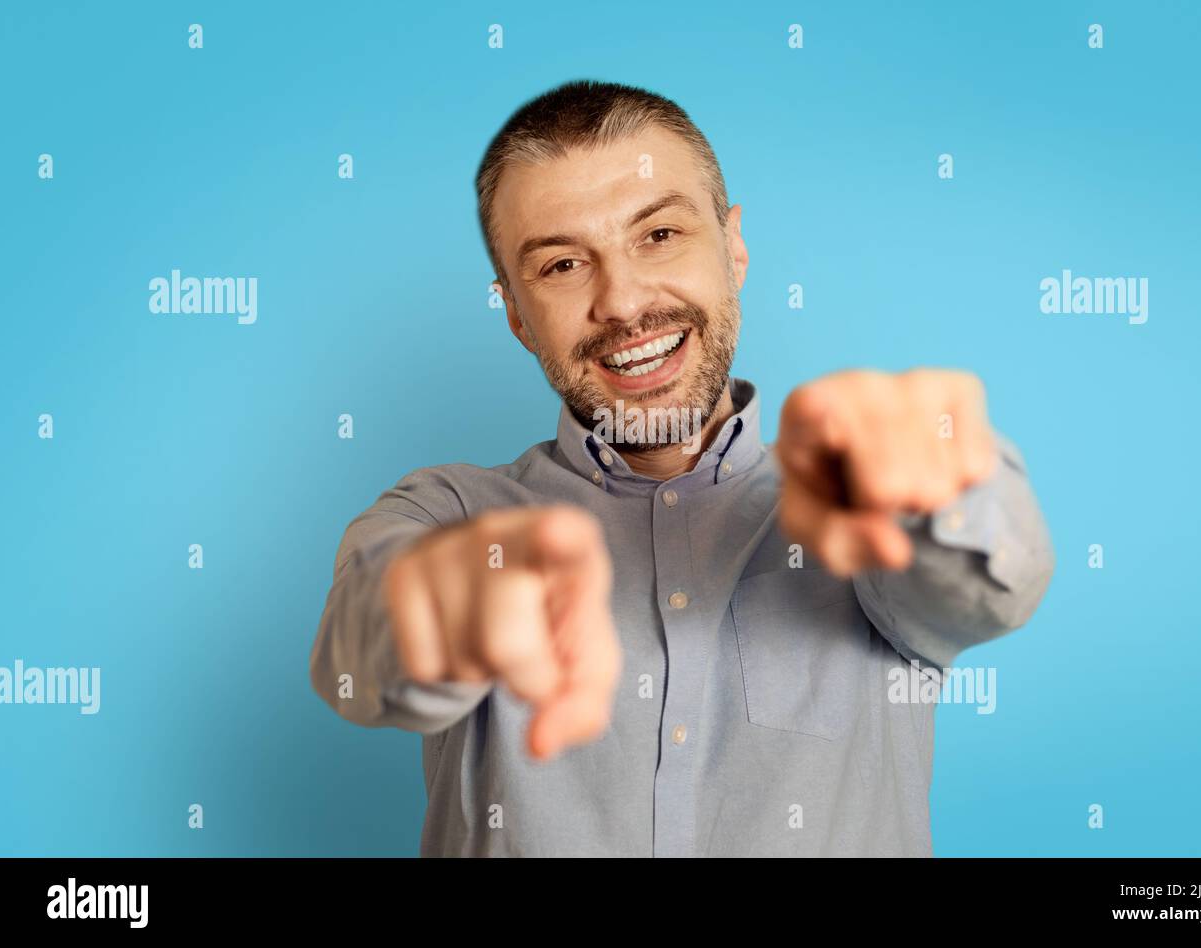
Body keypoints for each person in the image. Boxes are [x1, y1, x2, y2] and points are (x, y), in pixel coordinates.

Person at [310, 79, 1055, 857]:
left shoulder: (854, 514)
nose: (624, 303)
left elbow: (992, 585)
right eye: (563, 265)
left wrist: (945, 482)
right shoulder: (448, 512)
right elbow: (356, 657)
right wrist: (444, 606)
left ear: (733, 248)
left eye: (659, 235)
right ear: (517, 317)